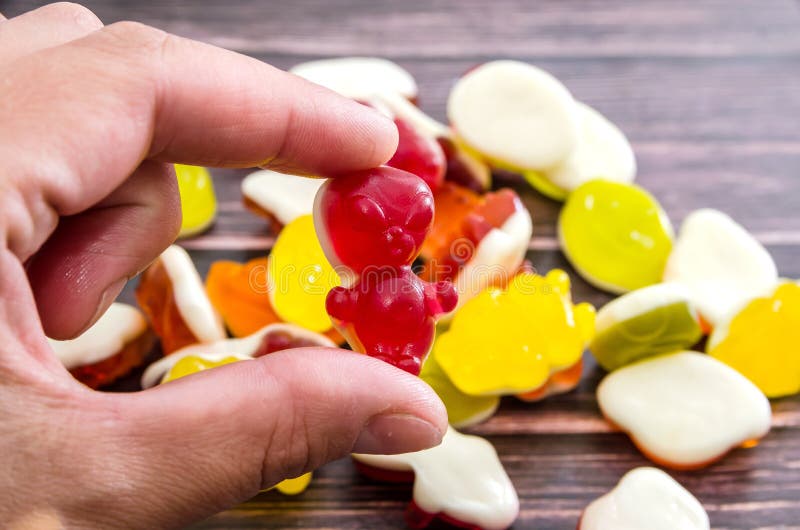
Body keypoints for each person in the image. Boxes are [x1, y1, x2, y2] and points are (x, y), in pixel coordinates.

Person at [0, 3, 447, 528]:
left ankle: (400, 359)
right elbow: (343, 304)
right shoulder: (356, 274)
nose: (397, 237)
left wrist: (434, 297)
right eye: (378, 224)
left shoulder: (402, 274)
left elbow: (419, 298)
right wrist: (347, 304)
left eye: (411, 226)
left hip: (405, 337)